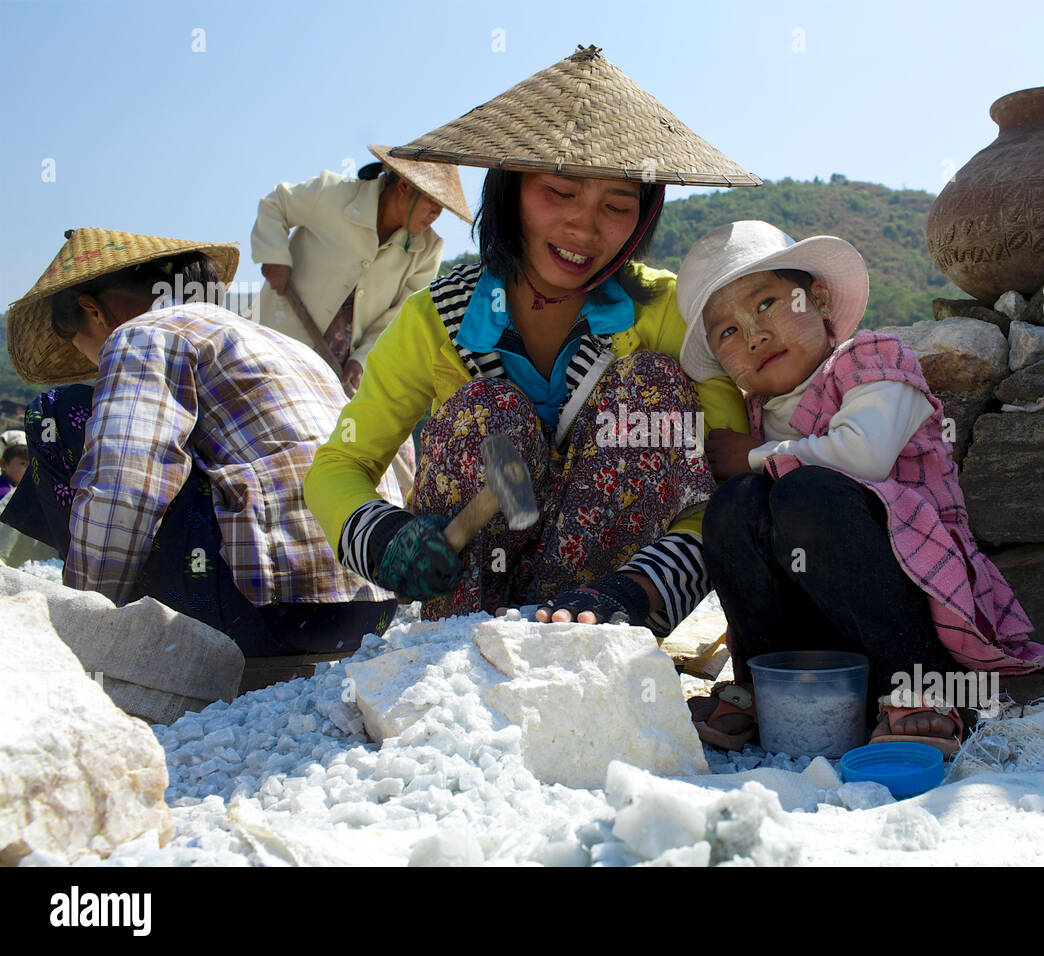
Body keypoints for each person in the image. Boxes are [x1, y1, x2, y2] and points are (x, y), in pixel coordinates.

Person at [305, 46, 762, 636]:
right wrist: (386, 537)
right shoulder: (434, 320)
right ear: (511, 191)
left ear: (643, 218)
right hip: (466, 625)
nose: (584, 227)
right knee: (487, 411)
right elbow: (340, 464)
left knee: (651, 388)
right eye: (561, 192)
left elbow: (729, 485)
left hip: (603, 614)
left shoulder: (672, 314)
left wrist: (639, 590)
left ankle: (598, 610)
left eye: (617, 205)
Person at [675, 221, 1044, 752]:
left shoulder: (873, 362)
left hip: (908, 598)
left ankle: (920, 686)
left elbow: (862, 455)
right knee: (734, 505)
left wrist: (751, 457)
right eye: (728, 333)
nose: (754, 335)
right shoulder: (759, 413)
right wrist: (747, 469)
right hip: (824, 625)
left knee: (806, 493)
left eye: (767, 303)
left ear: (818, 298)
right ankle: (770, 681)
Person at [2, 227, 402, 656]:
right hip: (370, 605)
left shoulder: (141, 334)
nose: (91, 363)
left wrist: (90, 625)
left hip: (270, 612)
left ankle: (111, 619)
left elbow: (126, 480)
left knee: (58, 410)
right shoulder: (288, 347)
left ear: (92, 312)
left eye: (81, 346)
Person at [251, 145, 472, 394]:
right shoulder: (332, 194)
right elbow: (276, 204)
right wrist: (275, 256)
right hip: (275, 344)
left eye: (442, 207)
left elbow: (400, 316)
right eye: (433, 202)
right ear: (403, 187)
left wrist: (362, 359)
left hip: (336, 374)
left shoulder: (428, 249)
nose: (436, 214)